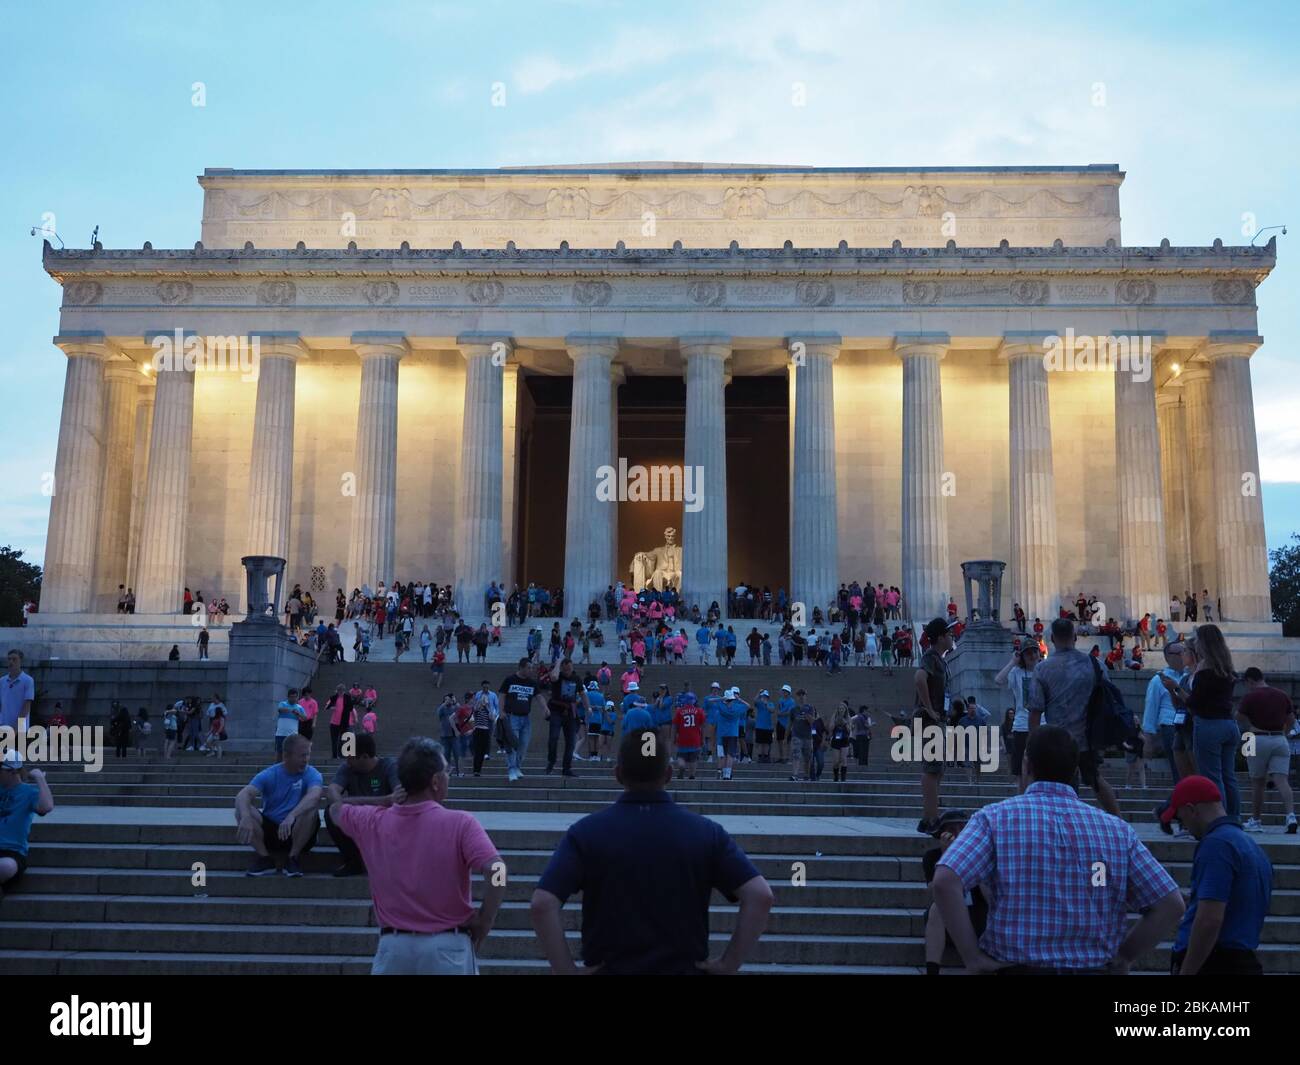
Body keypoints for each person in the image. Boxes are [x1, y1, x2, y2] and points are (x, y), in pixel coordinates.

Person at [932, 725, 1185, 973]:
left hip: (1015, 967)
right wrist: (1124, 956)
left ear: (1026, 765)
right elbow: (1171, 904)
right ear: (1075, 771)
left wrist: (972, 957)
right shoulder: (1117, 830)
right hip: (1094, 967)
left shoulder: (994, 819)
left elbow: (945, 880)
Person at [530, 730, 774, 974]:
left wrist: (565, 969)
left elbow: (543, 903)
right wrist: (728, 964)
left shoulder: (585, 833)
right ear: (668, 774)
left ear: (618, 774)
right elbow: (760, 896)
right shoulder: (706, 833)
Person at [331, 738, 506, 974]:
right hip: (447, 948)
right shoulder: (461, 823)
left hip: (393, 949)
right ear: (435, 781)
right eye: (446, 771)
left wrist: (381, 802)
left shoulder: (371, 821)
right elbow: (498, 871)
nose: (449, 776)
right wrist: (485, 920)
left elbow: (334, 809)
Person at [1161, 775, 1273, 975]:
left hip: (1214, 962)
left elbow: (1209, 919)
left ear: (1191, 809)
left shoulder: (1216, 845)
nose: (1184, 827)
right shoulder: (1250, 845)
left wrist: (1187, 971)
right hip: (1241, 958)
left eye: (1181, 819)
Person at [1027, 618, 1122, 818]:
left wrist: (1032, 745)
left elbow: (1035, 711)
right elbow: (1109, 697)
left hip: (1056, 740)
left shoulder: (1042, 668)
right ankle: (1120, 823)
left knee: (1056, 787)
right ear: (1075, 637)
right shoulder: (1095, 664)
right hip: (1088, 737)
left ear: (1051, 638)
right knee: (1096, 780)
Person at [1161, 625, 1241, 819]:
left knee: (1212, 778)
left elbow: (1194, 702)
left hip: (1208, 725)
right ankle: (1234, 817)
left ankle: (1219, 819)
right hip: (1229, 725)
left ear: (1204, 642)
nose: (1195, 644)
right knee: (1229, 777)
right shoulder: (1226, 666)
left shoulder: (1205, 668)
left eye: (1196, 640)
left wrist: (1175, 689)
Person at [235, 733, 323, 877]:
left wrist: (292, 815)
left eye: (307, 755)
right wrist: (245, 817)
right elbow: (243, 794)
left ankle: (293, 858)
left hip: (299, 833)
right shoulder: (270, 774)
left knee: (311, 809)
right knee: (242, 809)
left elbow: (315, 795)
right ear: (286, 756)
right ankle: (265, 858)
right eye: (301, 755)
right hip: (271, 832)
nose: (305, 760)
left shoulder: (312, 774)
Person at [324, 732, 401, 877]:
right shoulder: (347, 768)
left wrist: (348, 801)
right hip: (358, 820)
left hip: (383, 821)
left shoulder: (390, 766)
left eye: (350, 758)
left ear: (365, 756)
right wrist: (384, 800)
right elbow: (332, 791)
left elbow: (399, 798)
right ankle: (353, 862)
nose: (347, 762)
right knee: (331, 811)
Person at [922, 810, 987, 975]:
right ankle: (932, 970)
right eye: (951, 829)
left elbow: (989, 894)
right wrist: (947, 856)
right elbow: (934, 890)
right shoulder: (932, 856)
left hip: (977, 915)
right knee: (937, 908)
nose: (956, 834)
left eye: (961, 828)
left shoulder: (980, 853)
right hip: (948, 919)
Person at [1236, 667, 1297, 833]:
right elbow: (1291, 720)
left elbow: (1238, 718)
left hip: (1255, 738)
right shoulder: (1282, 695)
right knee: (1282, 781)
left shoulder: (1250, 696)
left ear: (1250, 680)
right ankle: (1291, 816)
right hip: (1280, 739)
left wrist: (1251, 723)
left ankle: (1256, 820)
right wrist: (1283, 733)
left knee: (1257, 782)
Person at [913, 618, 955, 832]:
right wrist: (929, 708)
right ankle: (930, 819)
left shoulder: (940, 659)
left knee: (937, 768)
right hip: (930, 719)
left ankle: (931, 814)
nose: (952, 636)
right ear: (940, 637)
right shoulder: (930, 657)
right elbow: (919, 678)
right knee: (932, 768)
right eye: (949, 634)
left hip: (937, 719)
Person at [0, 751, 54, 896]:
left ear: (12, 771)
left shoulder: (28, 792)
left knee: (6, 866)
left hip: (11, 852)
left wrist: (40, 778)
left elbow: (46, 807)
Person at [1142, 641, 1191, 786]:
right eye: (1180, 652)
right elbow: (1151, 708)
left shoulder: (1190, 676)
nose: (1184, 655)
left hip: (1190, 725)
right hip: (1170, 726)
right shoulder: (1158, 680)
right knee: (1179, 769)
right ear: (1168, 657)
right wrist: (1148, 739)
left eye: (1185, 651)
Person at [994, 641, 1040, 792]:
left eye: (1035, 652)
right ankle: (1021, 798)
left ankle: (1033, 797)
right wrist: (1012, 662)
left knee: (1037, 766)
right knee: (1020, 768)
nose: (1032, 656)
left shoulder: (1044, 671)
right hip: (1021, 725)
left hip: (1041, 724)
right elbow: (999, 680)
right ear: (1022, 656)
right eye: (1028, 653)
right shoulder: (1017, 672)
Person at [545, 658, 587, 777]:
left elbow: (583, 694)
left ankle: (566, 768)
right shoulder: (557, 677)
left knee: (571, 742)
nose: (568, 670)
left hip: (570, 713)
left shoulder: (576, 679)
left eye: (570, 668)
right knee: (553, 737)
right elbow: (553, 677)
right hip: (556, 711)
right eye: (566, 668)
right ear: (562, 668)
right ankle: (551, 760)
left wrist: (588, 708)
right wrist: (558, 662)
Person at [1, 650, 35, 732]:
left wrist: (16, 727)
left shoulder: (28, 680)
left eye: (14, 659)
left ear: (21, 661)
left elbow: (26, 706)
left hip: (20, 729)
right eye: (9, 659)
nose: (11, 662)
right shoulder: (2, 680)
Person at [273, 689, 306, 755]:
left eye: (295, 697)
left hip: (293, 735)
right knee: (280, 754)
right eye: (291, 697)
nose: (293, 699)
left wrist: (298, 713)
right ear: (288, 697)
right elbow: (280, 710)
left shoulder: (299, 707)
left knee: (293, 754)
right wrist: (291, 710)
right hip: (281, 734)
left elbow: (305, 718)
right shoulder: (282, 703)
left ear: (297, 697)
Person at [828, 704, 851, 781]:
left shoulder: (848, 718)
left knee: (843, 759)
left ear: (845, 710)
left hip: (844, 740)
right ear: (837, 710)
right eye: (839, 709)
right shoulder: (834, 717)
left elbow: (849, 730)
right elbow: (830, 729)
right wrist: (835, 722)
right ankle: (836, 776)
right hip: (836, 740)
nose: (841, 710)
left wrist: (845, 722)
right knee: (836, 761)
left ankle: (843, 777)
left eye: (842, 709)